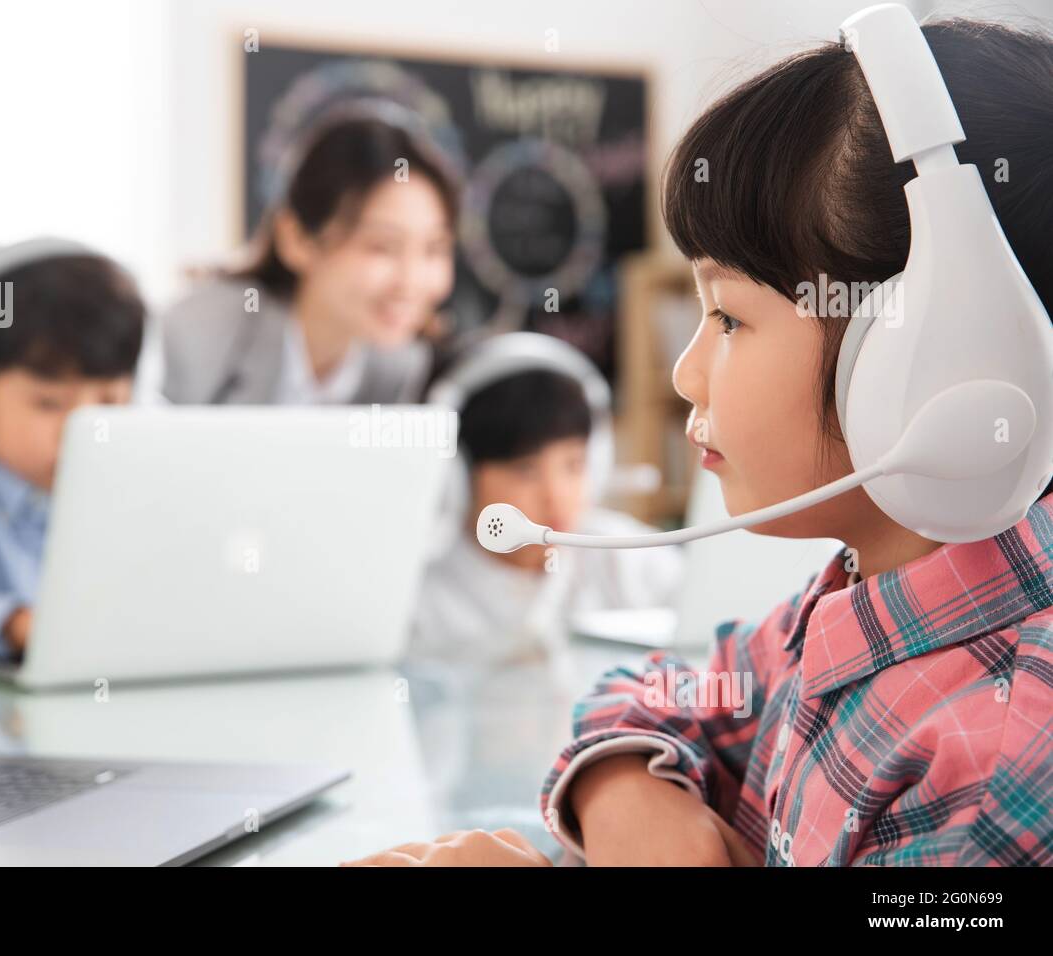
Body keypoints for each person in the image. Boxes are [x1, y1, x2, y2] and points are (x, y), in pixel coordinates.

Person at [344, 16, 1053, 866]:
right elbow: (653, 692)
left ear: (941, 354)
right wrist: (630, 798)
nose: (685, 372)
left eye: (727, 316)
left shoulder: (1005, 756)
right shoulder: (851, 607)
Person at [0, 239, 146, 669]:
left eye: (110, 401)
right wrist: (10, 624)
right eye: (49, 403)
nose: (81, 433)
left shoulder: (132, 504)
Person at [409, 335, 682, 670]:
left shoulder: (628, 559)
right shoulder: (419, 597)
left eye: (574, 465)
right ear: (459, 476)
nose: (556, 496)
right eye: (525, 469)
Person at [159, 109, 460, 406]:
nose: (410, 281)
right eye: (382, 246)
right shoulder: (196, 336)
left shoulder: (398, 363)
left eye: (434, 248)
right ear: (296, 239)